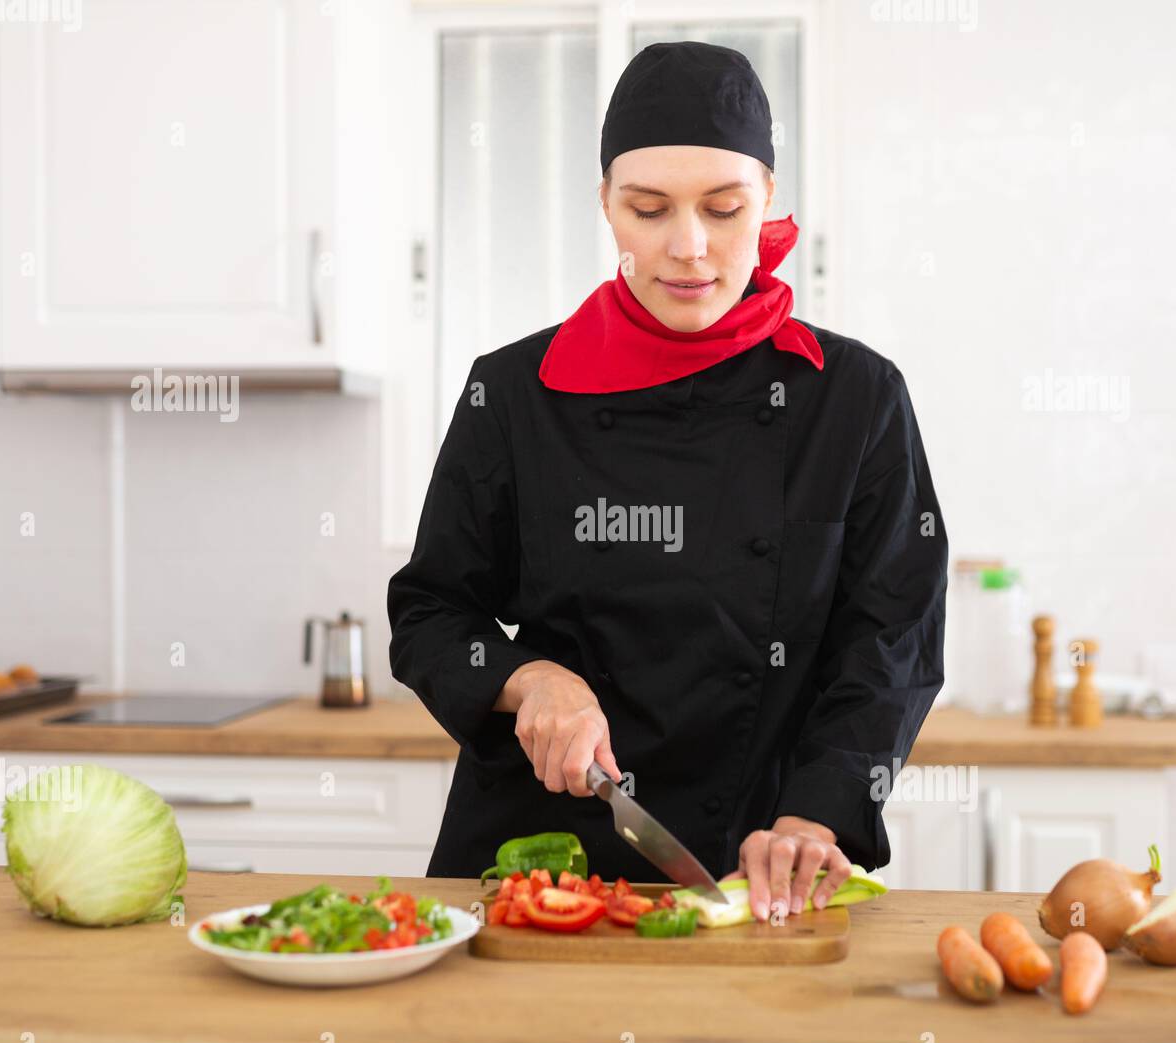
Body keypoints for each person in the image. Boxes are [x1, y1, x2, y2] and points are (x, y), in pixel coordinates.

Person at [388, 41, 947, 921]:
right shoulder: (514, 392)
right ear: (605, 206)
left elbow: (891, 642)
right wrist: (528, 678)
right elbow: (429, 614)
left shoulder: (856, 398)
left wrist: (818, 810)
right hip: (535, 865)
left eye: (724, 209)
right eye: (649, 210)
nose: (689, 248)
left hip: (750, 868)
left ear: (767, 201)